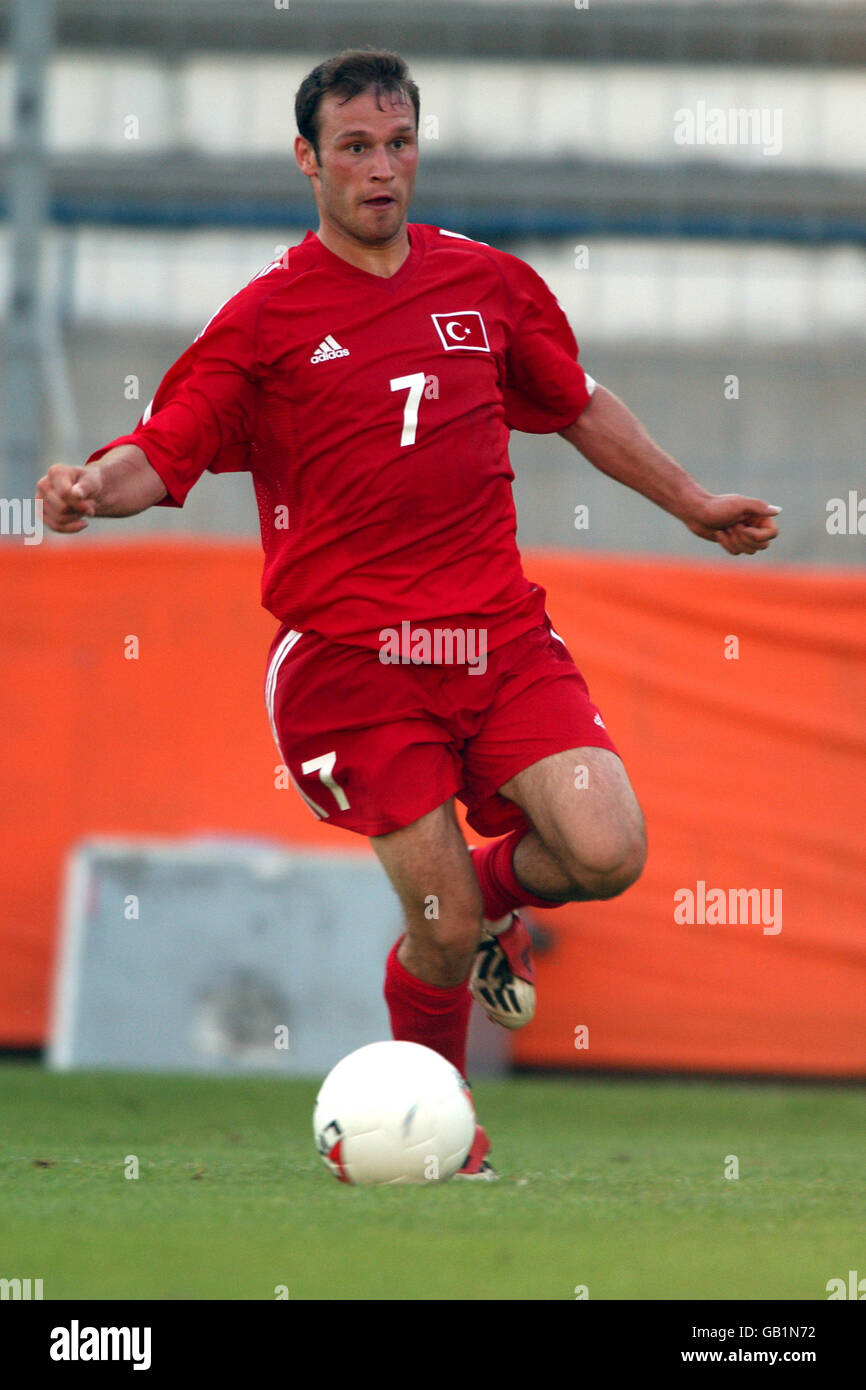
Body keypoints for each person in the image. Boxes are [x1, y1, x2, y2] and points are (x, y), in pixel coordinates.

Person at [36, 49, 780, 1179]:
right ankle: (445, 1139)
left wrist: (690, 503)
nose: (382, 169)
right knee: (434, 930)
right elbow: (168, 446)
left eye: (398, 145)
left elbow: (574, 402)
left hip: (497, 636)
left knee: (606, 845)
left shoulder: (487, 285)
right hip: (352, 665)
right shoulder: (265, 322)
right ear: (308, 160)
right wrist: (93, 486)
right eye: (355, 148)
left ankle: (488, 908)